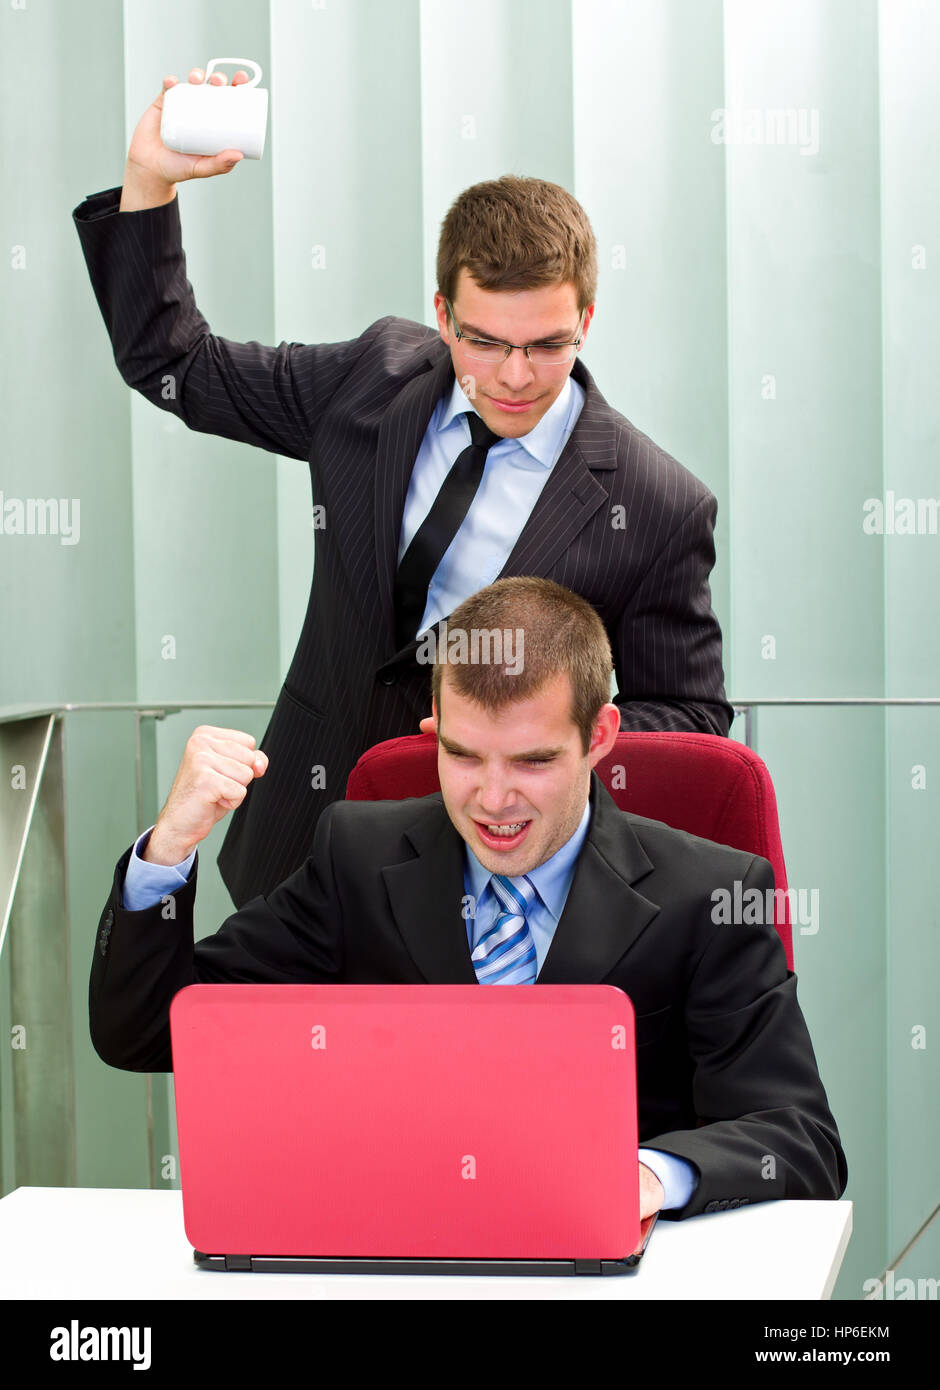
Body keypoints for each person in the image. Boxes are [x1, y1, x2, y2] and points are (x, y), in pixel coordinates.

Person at [73, 66, 733, 910]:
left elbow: (692, 719)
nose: (516, 376)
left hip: (494, 879)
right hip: (303, 841)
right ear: (444, 312)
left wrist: (532, 733)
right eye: (486, 342)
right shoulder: (373, 378)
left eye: (548, 344)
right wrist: (150, 181)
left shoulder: (658, 503)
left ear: (587, 322)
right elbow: (176, 365)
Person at [89, 576, 845, 1223]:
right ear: (434, 730)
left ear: (601, 737)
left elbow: (798, 1135)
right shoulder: (357, 856)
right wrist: (168, 849)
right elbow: (151, 1033)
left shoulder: (709, 893)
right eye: (461, 754)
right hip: (404, 1251)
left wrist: (649, 1177)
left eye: (534, 760)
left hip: (609, 1265)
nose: (492, 799)